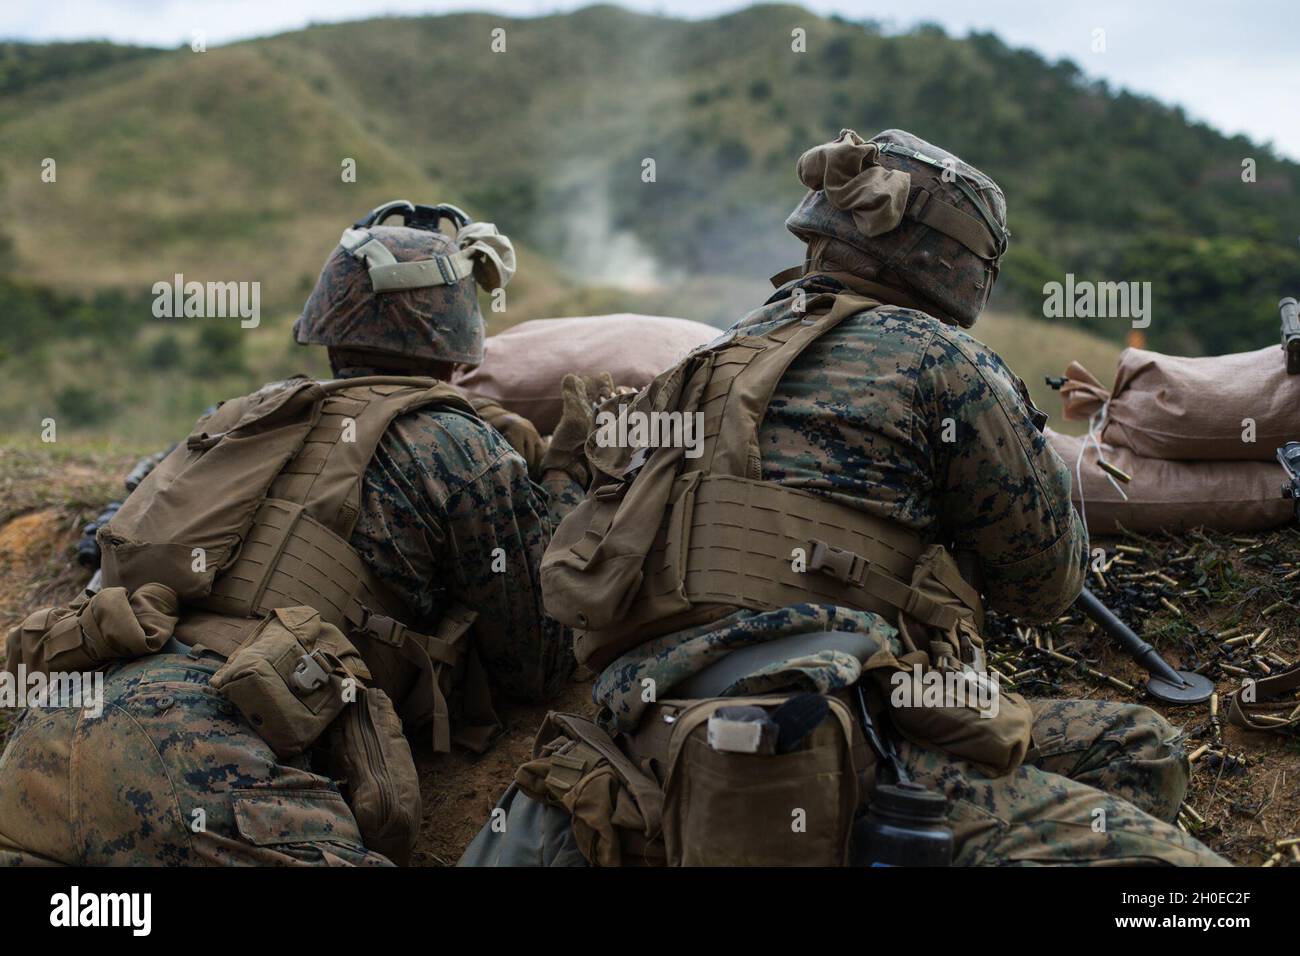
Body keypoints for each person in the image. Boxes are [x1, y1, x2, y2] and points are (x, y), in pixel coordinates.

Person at [461, 132, 1229, 867]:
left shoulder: (702, 364)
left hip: (642, 740)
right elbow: (1046, 584)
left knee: (1136, 746)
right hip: (832, 731)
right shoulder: (941, 358)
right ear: (958, 259)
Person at [0, 200, 605, 866]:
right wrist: (569, 478)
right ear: (457, 342)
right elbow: (541, 663)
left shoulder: (240, 420)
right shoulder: (458, 446)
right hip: (203, 758)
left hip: (46, 745)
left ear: (329, 327)